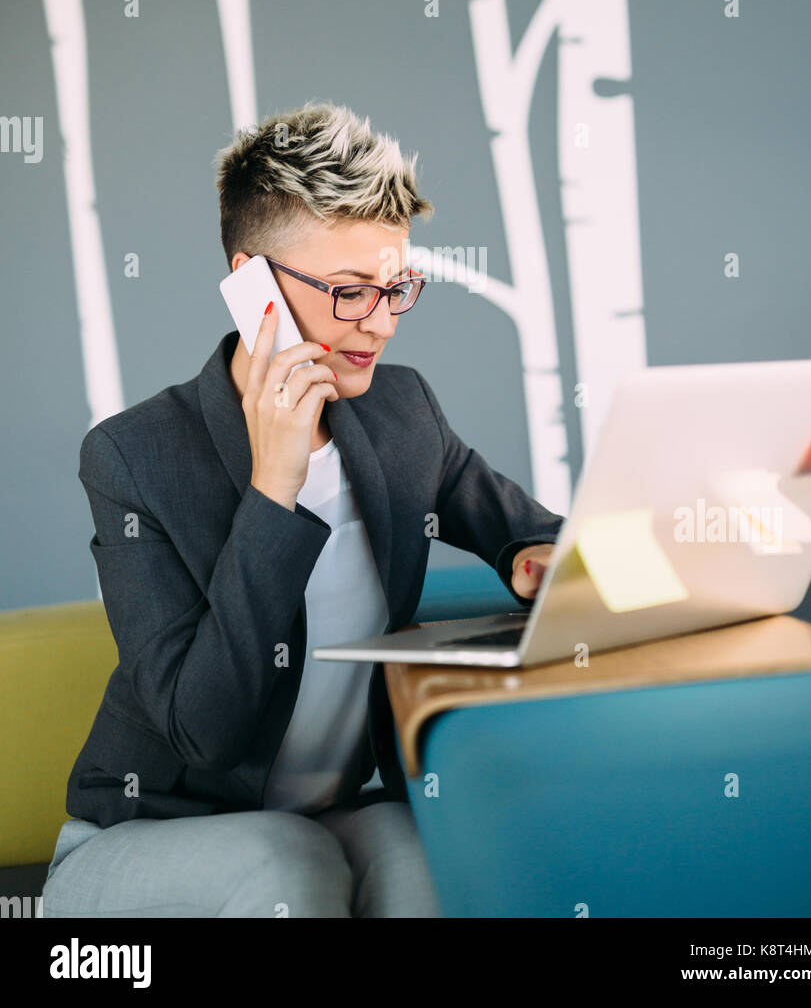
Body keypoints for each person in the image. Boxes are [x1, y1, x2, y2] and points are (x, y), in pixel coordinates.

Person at [41, 101, 562, 918]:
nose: (381, 324)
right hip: (143, 838)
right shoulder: (133, 457)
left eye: (397, 289)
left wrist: (531, 558)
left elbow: (530, 531)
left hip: (328, 817)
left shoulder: (403, 413)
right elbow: (203, 728)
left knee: (441, 865)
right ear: (254, 287)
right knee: (288, 869)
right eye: (351, 293)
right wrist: (273, 489)